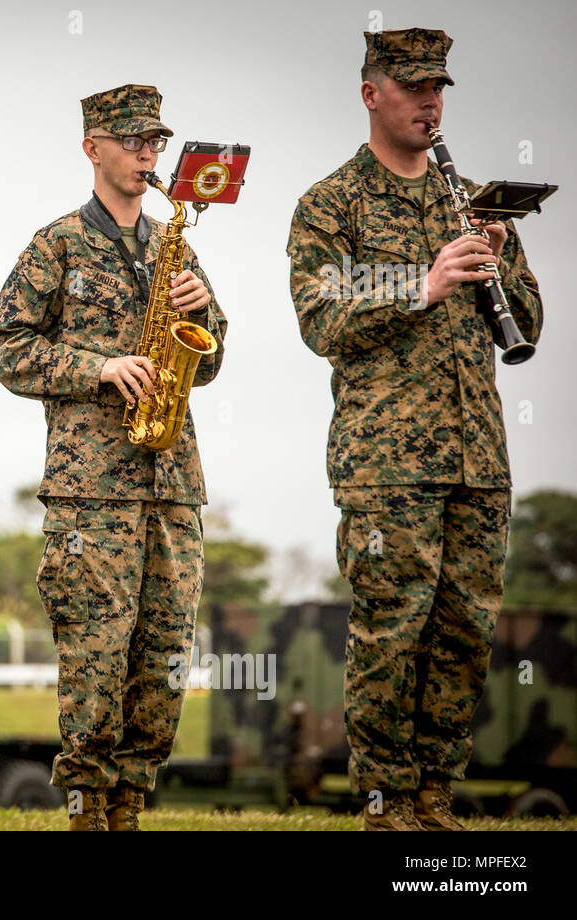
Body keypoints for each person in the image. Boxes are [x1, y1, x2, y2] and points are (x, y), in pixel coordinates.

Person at [286, 28, 543, 831]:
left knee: (465, 633)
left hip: (478, 459)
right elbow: (320, 319)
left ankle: (434, 797)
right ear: (373, 94)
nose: (431, 101)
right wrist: (421, 285)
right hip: (386, 463)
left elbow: (526, 324)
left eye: (439, 88)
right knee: (391, 632)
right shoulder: (331, 204)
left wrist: (500, 261)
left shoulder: (467, 201)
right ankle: (385, 800)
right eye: (415, 86)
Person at [0, 84, 227, 831]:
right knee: (96, 649)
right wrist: (97, 368)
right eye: (132, 140)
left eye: (156, 140)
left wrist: (199, 312)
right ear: (93, 147)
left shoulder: (173, 245)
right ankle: (88, 805)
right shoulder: (55, 244)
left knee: (164, 651)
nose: (148, 152)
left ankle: (131, 802)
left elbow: (210, 359)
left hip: (173, 485)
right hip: (92, 489)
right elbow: (2, 347)